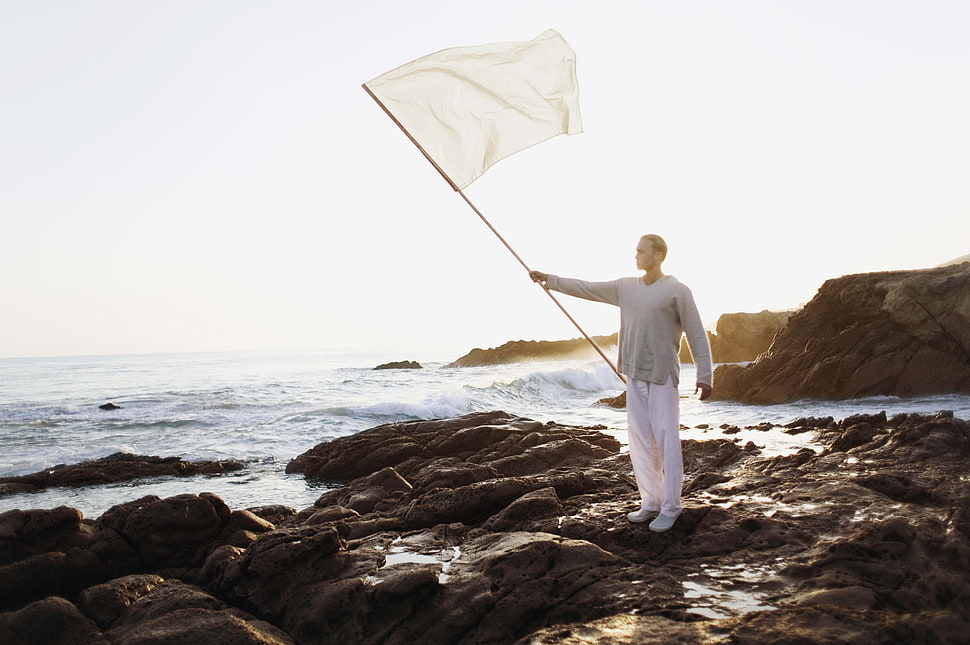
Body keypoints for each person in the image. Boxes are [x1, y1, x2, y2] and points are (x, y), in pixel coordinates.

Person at [529, 234, 712, 533]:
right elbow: (587, 288)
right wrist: (550, 279)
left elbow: (696, 334)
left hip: (663, 376)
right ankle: (651, 502)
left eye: (641, 251)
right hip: (634, 375)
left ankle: (671, 507)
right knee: (640, 443)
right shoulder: (625, 287)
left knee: (667, 443)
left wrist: (705, 376)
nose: (636, 256)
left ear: (658, 254)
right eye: (636, 251)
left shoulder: (677, 291)